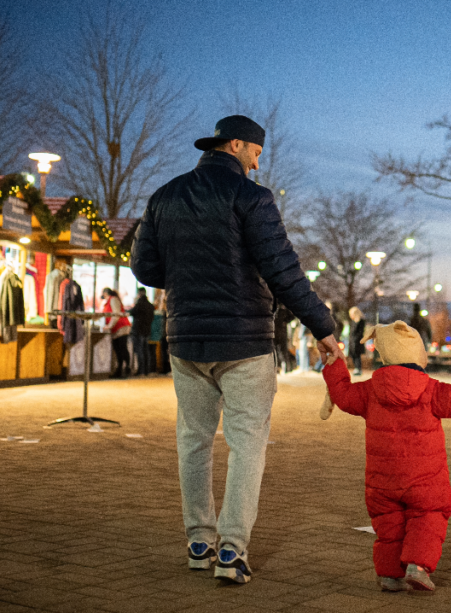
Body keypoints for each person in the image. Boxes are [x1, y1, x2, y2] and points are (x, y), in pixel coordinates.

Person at [131, 114, 343, 584]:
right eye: (256, 153)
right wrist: (322, 326)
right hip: (245, 342)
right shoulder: (251, 198)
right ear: (237, 146)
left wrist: (188, 278)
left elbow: (144, 267)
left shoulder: (164, 197)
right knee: (247, 445)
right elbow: (283, 270)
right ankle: (232, 551)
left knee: (194, 441)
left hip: (186, 341)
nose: (257, 163)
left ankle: (198, 541)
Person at [322, 321, 451, 592]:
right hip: (426, 480)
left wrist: (335, 365)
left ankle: (389, 575)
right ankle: (417, 566)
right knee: (429, 515)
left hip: (382, 481)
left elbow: (343, 394)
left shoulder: (371, 390)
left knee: (388, 523)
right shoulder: (431, 390)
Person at [101, 288, 132, 378]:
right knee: (118, 349)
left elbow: (116, 314)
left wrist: (109, 326)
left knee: (121, 348)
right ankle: (120, 370)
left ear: (106, 293)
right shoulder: (109, 301)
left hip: (121, 326)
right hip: (116, 327)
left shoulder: (113, 299)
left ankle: (125, 369)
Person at [129, 288, 155, 376]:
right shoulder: (150, 305)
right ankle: (147, 370)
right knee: (146, 350)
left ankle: (141, 370)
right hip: (147, 330)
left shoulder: (139, 304)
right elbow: (152, 318)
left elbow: (132, 312)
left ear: (139, 294)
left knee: (139, 350)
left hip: (138, 330)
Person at [347, 306, 366, 375]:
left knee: (357, 355)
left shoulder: (361, 321)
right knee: (352, 355)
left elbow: (360, 332)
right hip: (352, 341)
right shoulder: (352, 322)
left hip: (357, 341)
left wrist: (356, 340)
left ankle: (358, 369)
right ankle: (356, 368)